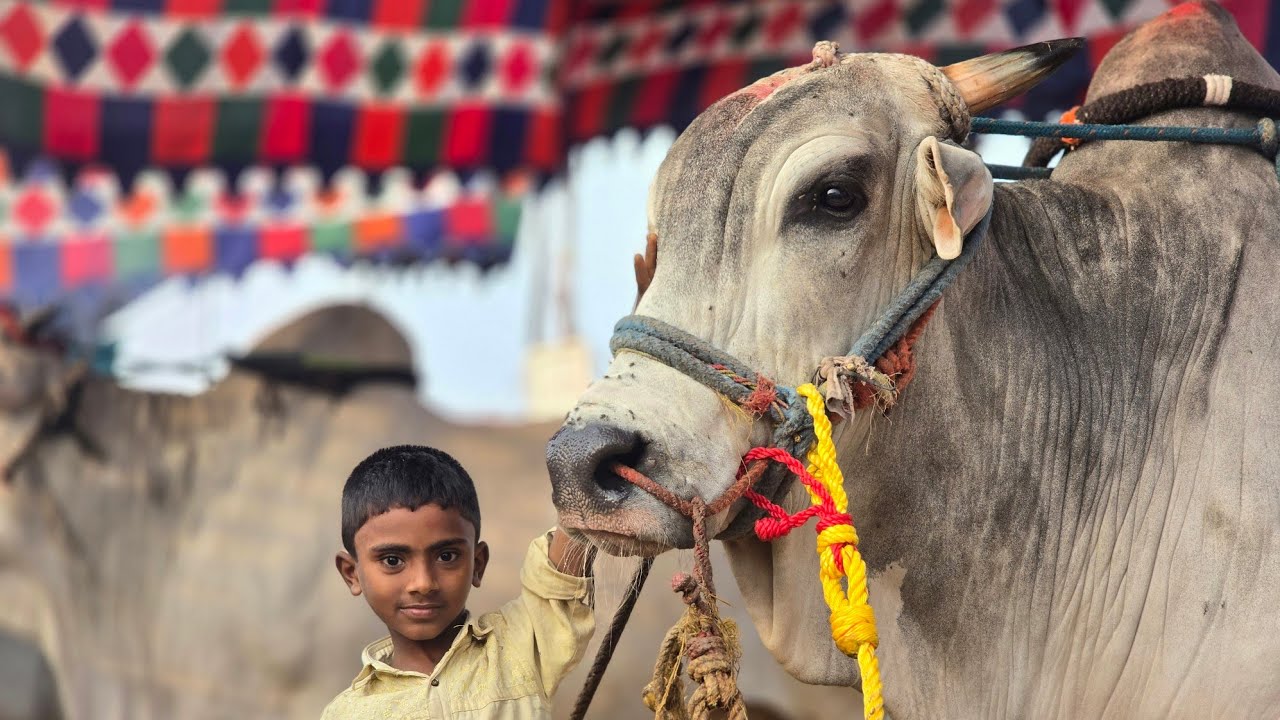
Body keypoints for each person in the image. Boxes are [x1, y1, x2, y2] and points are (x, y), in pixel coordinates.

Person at [321, 445, 595, 719]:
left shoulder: (519, 645)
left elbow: (559, 578)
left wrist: (591, 478)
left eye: (446, 556)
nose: (423, 583)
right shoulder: (346, 713)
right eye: (393, 560)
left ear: (477, 564)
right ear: (351, 573)